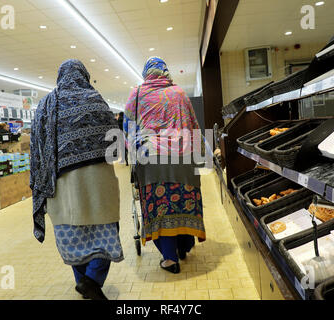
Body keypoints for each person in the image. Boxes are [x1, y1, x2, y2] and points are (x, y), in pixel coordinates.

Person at [30, 59, 123, 300]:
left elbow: (37, 148)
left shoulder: (45, 105)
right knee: (105, 230)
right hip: (97, 180)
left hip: (61, 183)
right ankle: (91, 281)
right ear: (84, 75)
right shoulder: (95, 100)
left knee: (73, 234)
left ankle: (84, 282)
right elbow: (116, 146)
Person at [124, 57, 206, 274]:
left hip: (151, 159)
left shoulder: (137, 94)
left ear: (146, 73)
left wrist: (133, 151)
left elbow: (127, 128)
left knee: (159, 206)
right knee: (184, 200)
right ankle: (185, 246)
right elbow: (194, 124)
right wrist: (200, 156)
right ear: (165, 72)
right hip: (182, 156)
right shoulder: (178, 92)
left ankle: (169, 259)